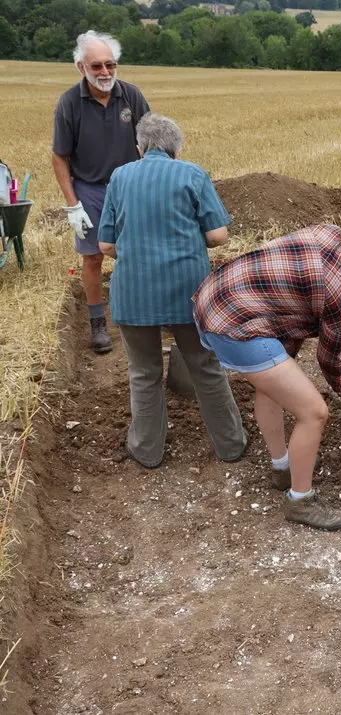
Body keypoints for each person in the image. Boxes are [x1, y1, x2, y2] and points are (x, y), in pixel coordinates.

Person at [193, 224, 341, 531]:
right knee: (314, 412)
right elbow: (328, 357)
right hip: (234, 320)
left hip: (221, 297)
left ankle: (283, 469)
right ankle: (301, 501)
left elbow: (295, 300)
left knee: (270, 386)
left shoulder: (338, 237)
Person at [96, 113, 247, 469]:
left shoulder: (119, 177)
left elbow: (105, 244)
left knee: (143, 373)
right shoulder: (193, 174)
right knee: (205, 366)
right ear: (177, 148)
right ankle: (231, 445)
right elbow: (217, 236)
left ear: (140, 148)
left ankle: (147, 450)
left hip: (133, 294)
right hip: (187, 294)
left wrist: (134, 248)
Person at [52, 30, 150, 354]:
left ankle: (139, 316)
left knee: (136, 253)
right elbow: (60, 156)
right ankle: (98, 323)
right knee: (93, 257)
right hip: (90, 189)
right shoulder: (69, 103)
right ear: (81, 67)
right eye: (97, 66)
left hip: (130, 187)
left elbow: (152, 141)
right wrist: (72, 206)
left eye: (110, 64)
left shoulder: (131, 97)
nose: (105, 72)